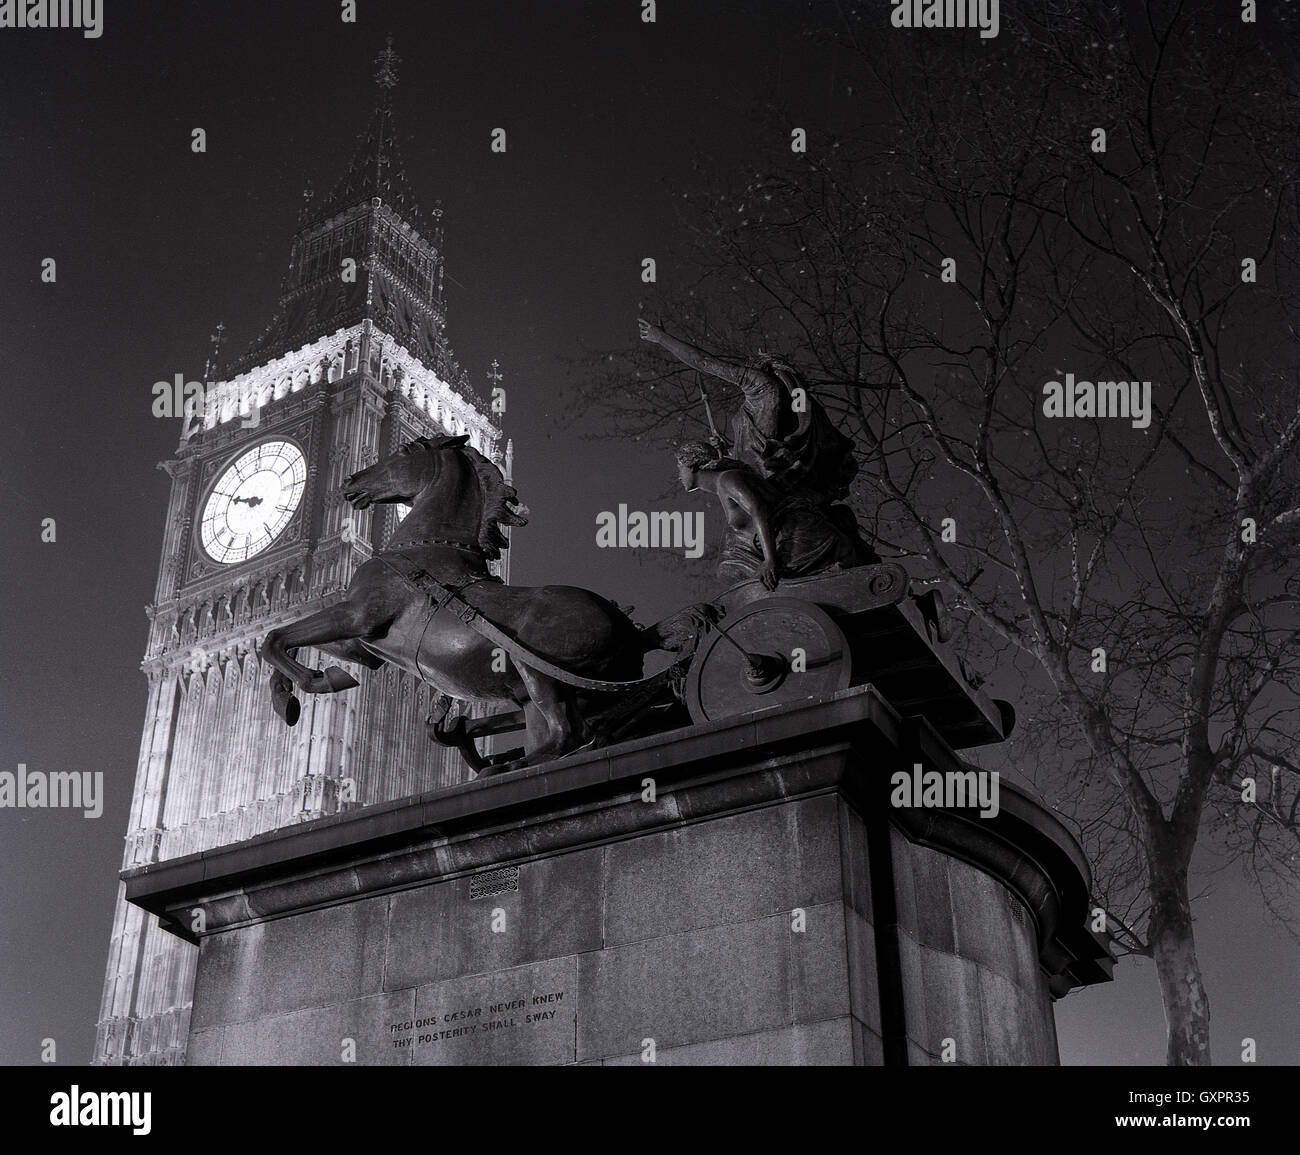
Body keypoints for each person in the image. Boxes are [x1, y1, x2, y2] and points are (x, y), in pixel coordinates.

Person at [641, 320, 857, 503]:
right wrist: (727, 451)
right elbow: (755, 450)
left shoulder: (762, 386)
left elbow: (704, 362)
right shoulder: (777, 401)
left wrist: (661, 338)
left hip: (761, 484)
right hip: (766, 478)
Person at [676, 441, 874, 589]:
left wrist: (769, 561)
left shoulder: (728, 479)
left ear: (692, 465)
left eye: (679, 467)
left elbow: (759, 510)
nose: (679, 474)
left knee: (732, 573)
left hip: (800, 538)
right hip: (797, 535)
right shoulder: (727, 480)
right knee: (728, 567)